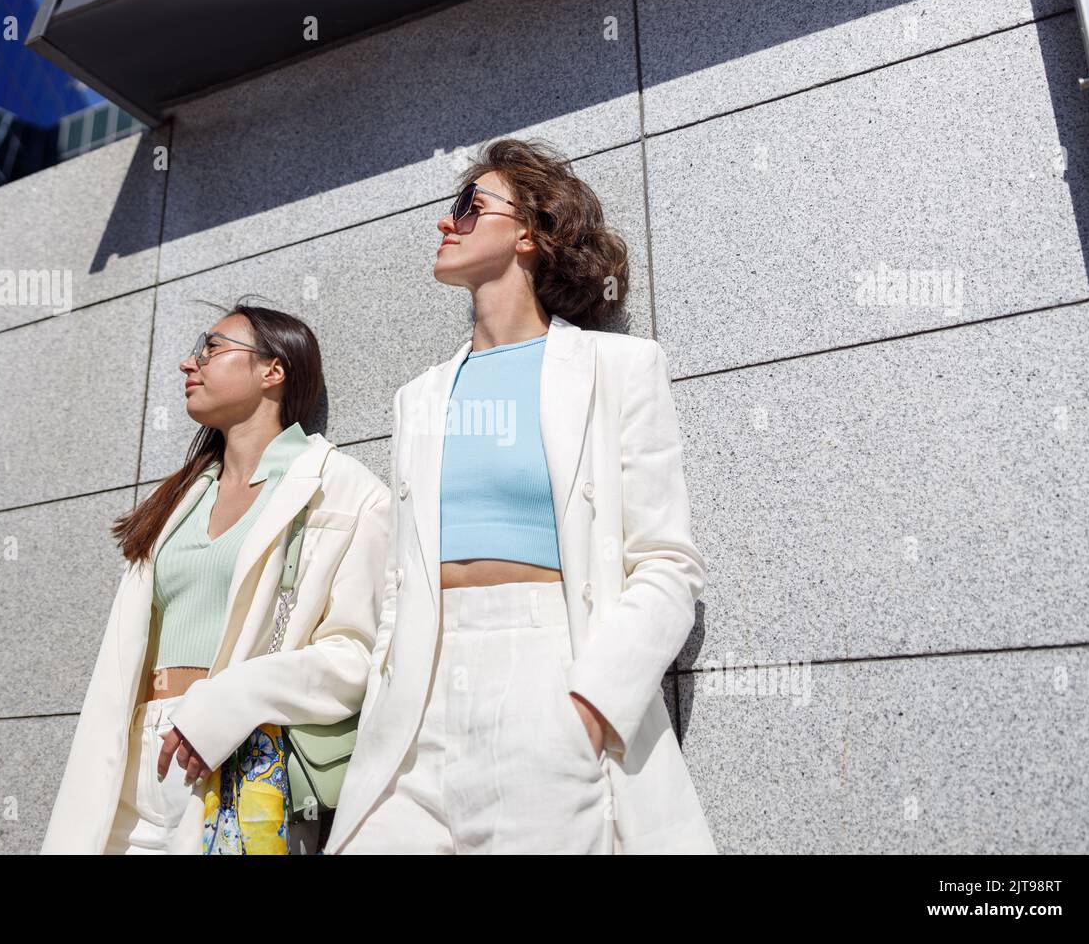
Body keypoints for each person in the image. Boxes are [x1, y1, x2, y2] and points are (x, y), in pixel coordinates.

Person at [325, 137, 717, 854]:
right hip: (415, 703)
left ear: (530, 234)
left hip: (546, 677)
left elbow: (667, 563)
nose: (447, 223)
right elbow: (397, 581)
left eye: (470, 207)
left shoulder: (617, 369)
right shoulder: (419, 398)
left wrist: (590, 705)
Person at [40, 298, 390, 854]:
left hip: (238, 755)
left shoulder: (342, 491)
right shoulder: (180, 496)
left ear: (272, 371)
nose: (189, 363)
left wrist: (228, 702)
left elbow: (355, 653)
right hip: (138, 759)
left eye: (212, 347)